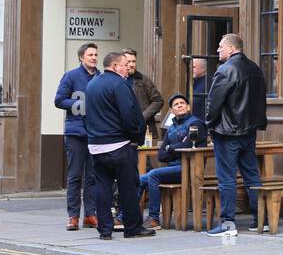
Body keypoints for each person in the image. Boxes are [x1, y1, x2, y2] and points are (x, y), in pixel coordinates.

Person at [84, 51, 155, 241]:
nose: (128, 68)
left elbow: (87, 115)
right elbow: (130, 115)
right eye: (124, 65)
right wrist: (137, 137)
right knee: (128, 188)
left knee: (102, 188)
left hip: (97, 146)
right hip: (120, 145)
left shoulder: (92, 84)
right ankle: (132, 228)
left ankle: (105, 230)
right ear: (115, 66)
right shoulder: (120, 84)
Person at [203, 33, 267, 236]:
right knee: (252, 176)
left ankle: (228, 223)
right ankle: (261, 220)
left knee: (227, 178)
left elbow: (213, 103)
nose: (217, 50)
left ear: (231, 49)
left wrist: (208, 124)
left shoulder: (225, 70)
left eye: (221, 47)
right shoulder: (255, 69)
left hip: (227, 131)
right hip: (249, 131)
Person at [138, 94, 204, 229]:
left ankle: (154, 218)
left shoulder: (196, 123)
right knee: (138, 179)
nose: (179, 105)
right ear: (172, 110)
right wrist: (173, 149)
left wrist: (171, 148)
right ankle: (126, 217)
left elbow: (188, 146)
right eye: (176, 104)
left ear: (188, 107)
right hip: (173, 168)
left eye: (182, 103)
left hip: (190, 169)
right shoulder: (171, 128)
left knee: (153, 174)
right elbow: (162, 155)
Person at [54, 43, 100, 231]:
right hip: (76, 132)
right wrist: (80, 104)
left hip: (96, 133)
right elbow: (59, 100)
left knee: (92, 176)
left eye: (96, 54)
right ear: (82, 57)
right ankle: (73, 216)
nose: (94, 57)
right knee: (75, 176)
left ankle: (90, 214)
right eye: (90, 54)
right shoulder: (71, 76)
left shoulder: (100, 77)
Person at [122, 49, 164, 142]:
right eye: (129, 62)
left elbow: (158, 100)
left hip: (145, 129)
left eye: (134, 61)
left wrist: (142, 116)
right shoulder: (117, 80)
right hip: (123, 131)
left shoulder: (143, 80)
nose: (132, 65)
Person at [190, 57, 211, 121]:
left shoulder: (208, 83)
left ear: (203, 68)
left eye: (194, 67)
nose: (191, 69)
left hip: (202, 121)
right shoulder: (193, 81)